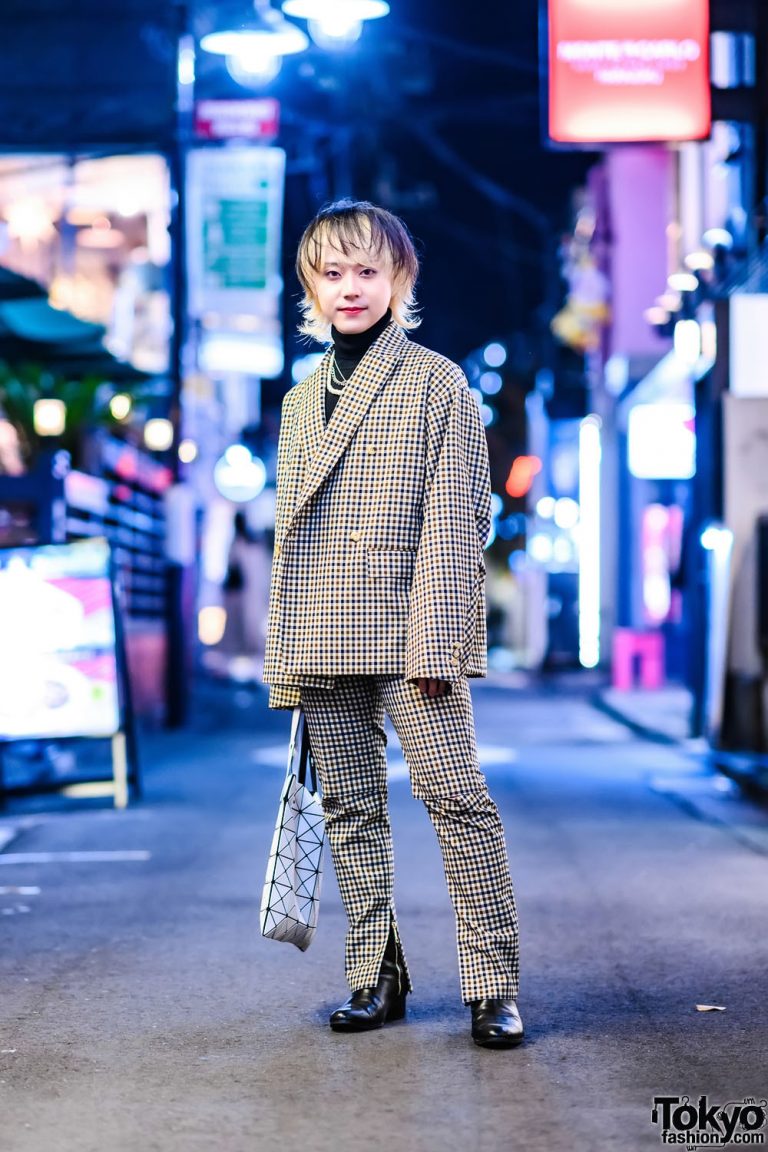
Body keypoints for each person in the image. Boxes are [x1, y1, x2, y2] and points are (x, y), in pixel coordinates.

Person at [263, 199, 522, 1048]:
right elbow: (290, 532)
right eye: (331, 273)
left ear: (399, 280)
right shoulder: (301, 400)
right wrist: (286, 654)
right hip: (322, 626)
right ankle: (375, 972)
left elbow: (456, 523)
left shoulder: (438, 382)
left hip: (411, 627)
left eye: (367, 271)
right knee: (350, 807)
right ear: (310, 283)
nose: (349, 289)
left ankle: (492, 984)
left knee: (458, 801)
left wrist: (438, 643)